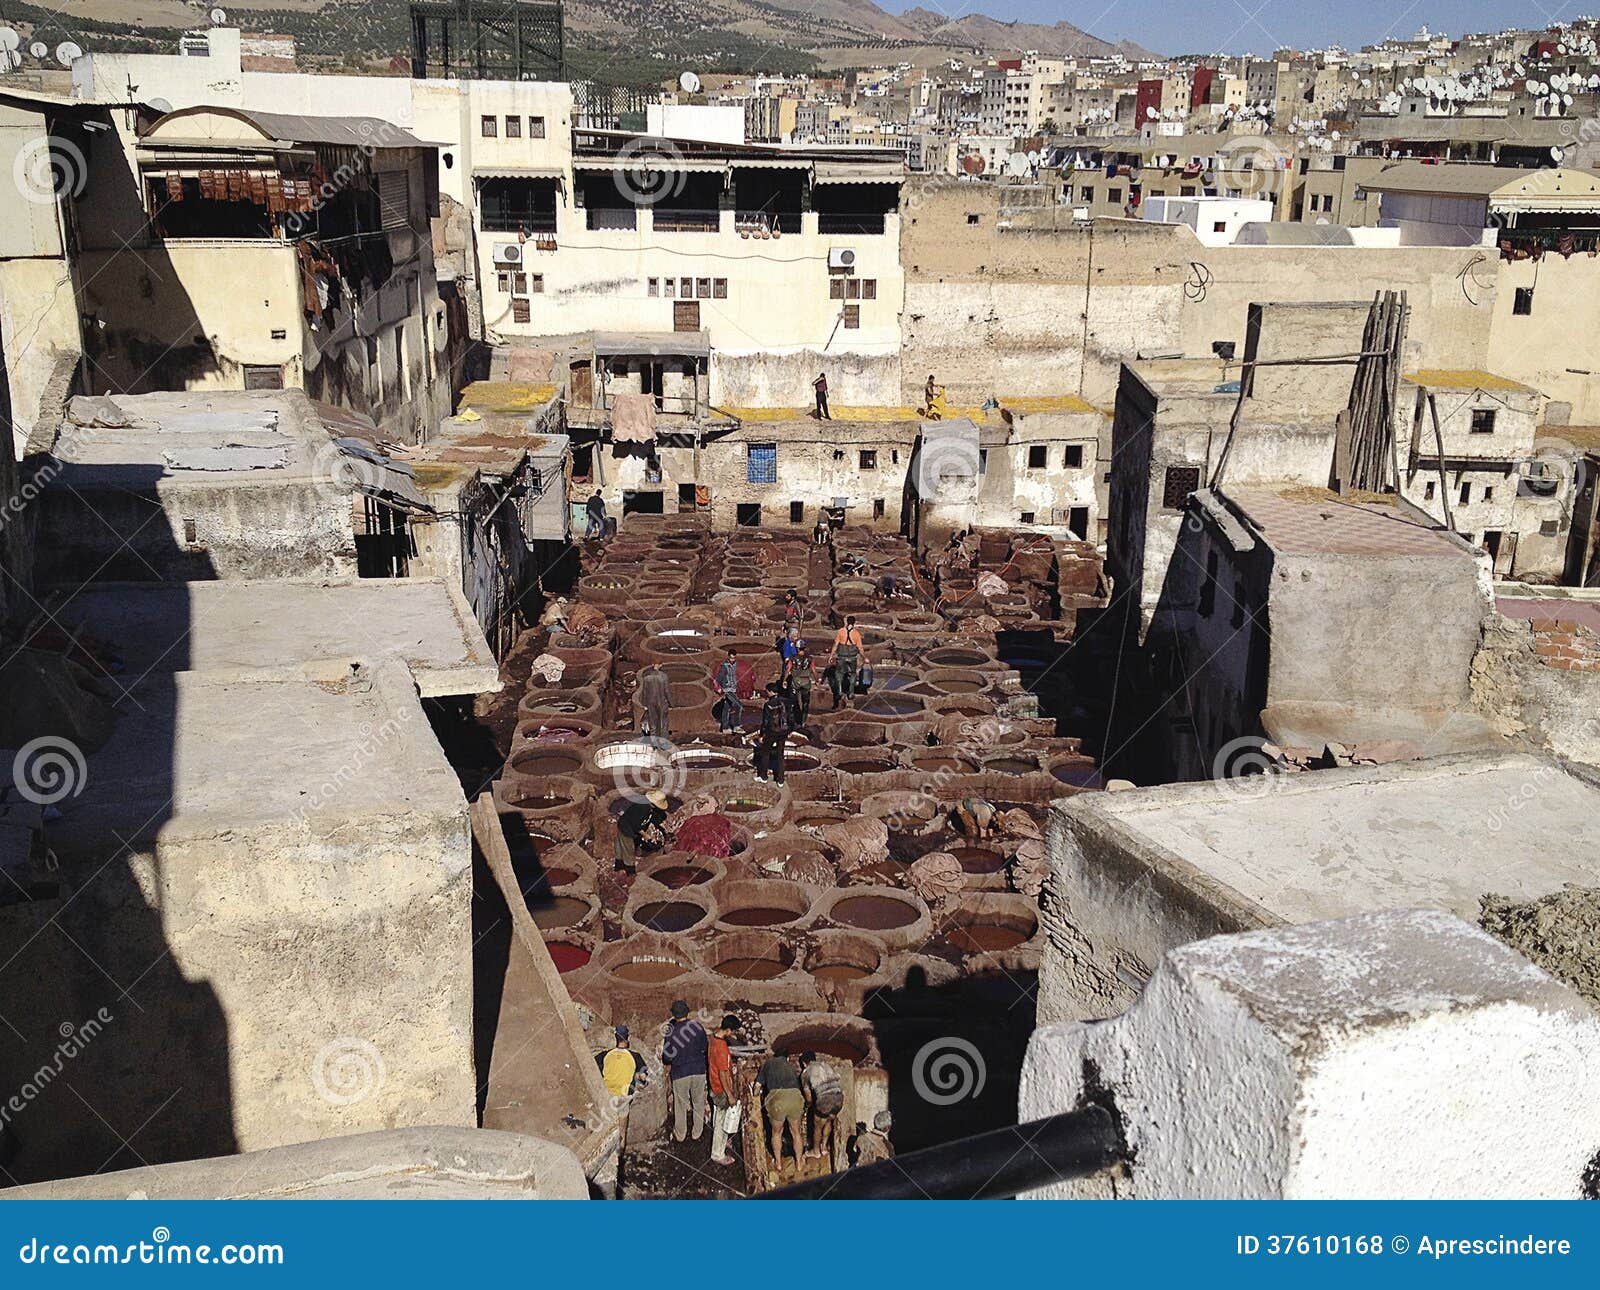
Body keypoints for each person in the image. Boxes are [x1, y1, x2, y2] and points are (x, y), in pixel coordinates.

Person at [662, 1000, 709, 1145]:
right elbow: (705, 1047)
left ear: (674, 1015)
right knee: (698, 1102)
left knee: (681, 1105)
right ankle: (697, 1133)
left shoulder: (671, 1032)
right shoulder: (697, 1027)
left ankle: (680, 1134)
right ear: (687, 1012)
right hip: (699, 1070)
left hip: (680, 1072)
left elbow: (667, 1056)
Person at [758, 1050, 805, 1173]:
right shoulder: (790, 1066)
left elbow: (757, 1086)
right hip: (794, 1096)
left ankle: (778, 1163)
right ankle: (799, 1163)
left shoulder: (768, 1063)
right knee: (796, 1132)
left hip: (777, 1099)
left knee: (776, 1133)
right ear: (787, 1058)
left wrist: (756, 1098)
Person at [708, 1014, 743, 1166]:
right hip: (720, 1088)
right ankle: (718, 1153)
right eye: (733, 1032)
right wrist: (729, 1095)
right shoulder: (721, 1048)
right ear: (728, 1030)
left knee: (718, 1115)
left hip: (713, 1083)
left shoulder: (714, 1038)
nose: (733, 1035)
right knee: (722, 1119)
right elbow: (722, 1073)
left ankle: (722, 1142)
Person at [800, 1051, 845, 1163]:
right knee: (829, 1121)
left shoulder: (806, 1072)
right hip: (838, 1097)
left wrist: (809, 1106)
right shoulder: (826, 1065)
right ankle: (824, 1148)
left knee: (818, 1126)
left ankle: (816, 1151)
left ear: (804, 1063)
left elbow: (808, 1097)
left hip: (825, 1100)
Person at [615, 788, 669, 873]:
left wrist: (661, 825)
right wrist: (645, 835)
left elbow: (653, 817)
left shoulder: (649, 807)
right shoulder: (642, 807)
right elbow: (635, 825)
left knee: (621, 847)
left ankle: (619, 867)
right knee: (628, 849)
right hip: (626, 827)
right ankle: (630, 871)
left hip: (629, 824)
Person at [596, 1024, 647, 1100]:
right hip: (625, 1096)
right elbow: (643, 1077)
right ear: (628, 1037)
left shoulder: (605, 1054)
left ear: (615, 1037)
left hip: (607, 1094)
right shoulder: (635, 1056)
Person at [755, 682, 790, 786]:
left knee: (765, 754)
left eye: (767, 692)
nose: (767, 693)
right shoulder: (784, 702)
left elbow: (765, 722)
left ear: (771, 692)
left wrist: (761, 735)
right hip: (783, 732)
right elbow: (789, 717)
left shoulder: (768, 705)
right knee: (780, 755)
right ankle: (780, 780)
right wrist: (789, 730)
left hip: (772, 732)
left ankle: (764, 777)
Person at [832, 615, 867, 707]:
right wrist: (864, 657)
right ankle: (851, 692)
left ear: (847, 622)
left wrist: (831, 655)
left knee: (839, 673)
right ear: (854, 623)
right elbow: (860, 648)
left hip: (841, 656)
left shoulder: (841, 632)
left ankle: (839, 691)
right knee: (853, 673)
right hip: (852, 657)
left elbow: (835, 645)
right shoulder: (856, 634)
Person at [639, 662, 671, 737]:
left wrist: (644, 705)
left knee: (653, 724)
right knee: (663, 724)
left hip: (650, 703)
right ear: (661, 665)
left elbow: (645, 692)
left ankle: (654, 745)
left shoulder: (647, 678)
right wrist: (672, 704)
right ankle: (663, 743)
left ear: (653, 665)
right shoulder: (664, 677)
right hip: (662, 703)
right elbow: (667, 692)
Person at [714, 649, 742, 734]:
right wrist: (719, 688)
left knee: (727, 707)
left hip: (733, 689)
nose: (732, 660)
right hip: (727, 689)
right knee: (738, 706)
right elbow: (718, 679)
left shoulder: (735, 664)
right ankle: (735, 726)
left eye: (734, 658)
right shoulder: (724, 666)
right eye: (731, 658)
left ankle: (725, 727)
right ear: (728, 656)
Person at [789, 645, 816, 727]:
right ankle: (803, 721)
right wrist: (817, 680)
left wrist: (784, 680)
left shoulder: (792, 658)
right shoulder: (810, 658)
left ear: (797, 648)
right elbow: (814, 670)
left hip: (795, 681)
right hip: (806, 681)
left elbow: (788, 669)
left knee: (794, 701)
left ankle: (797, 720)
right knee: (805, 702)